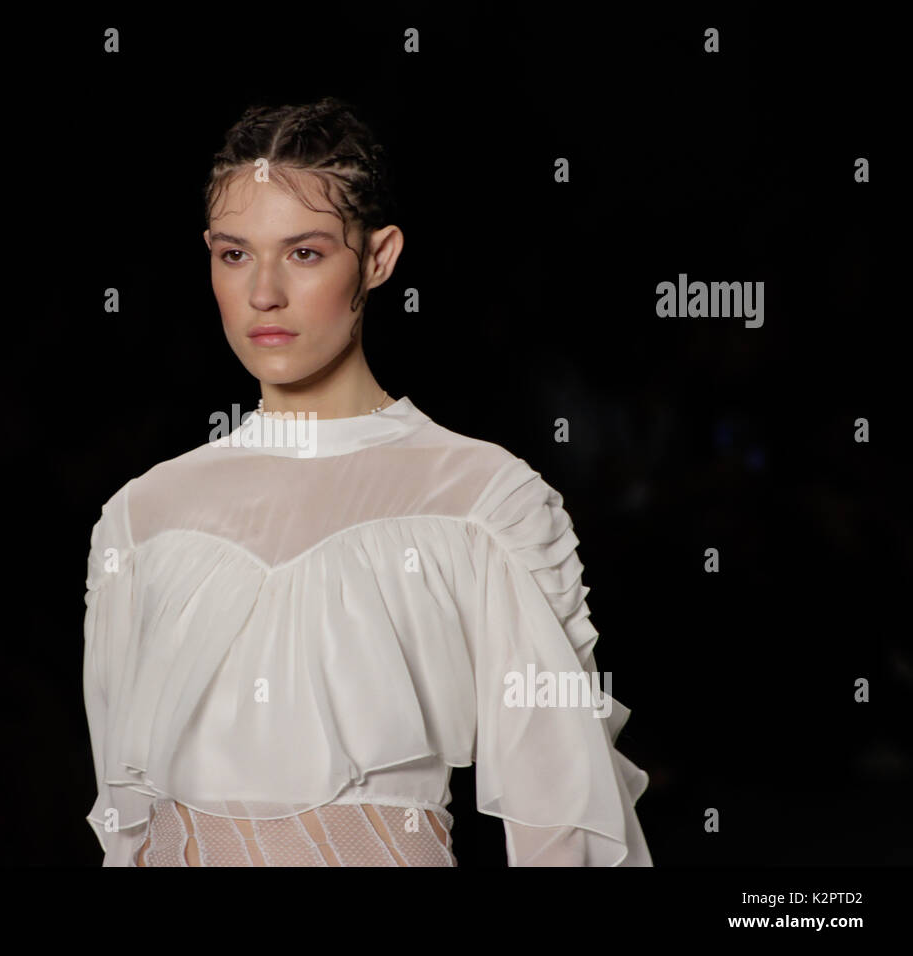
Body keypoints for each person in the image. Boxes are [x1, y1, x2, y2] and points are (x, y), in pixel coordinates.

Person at [82, 97, 651, 866]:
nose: (264, 293)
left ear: (379, 258)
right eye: (235, 254)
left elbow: (563, 815)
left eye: (305, 253)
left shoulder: (478, 500)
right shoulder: (143, 518)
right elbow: (124, 824)